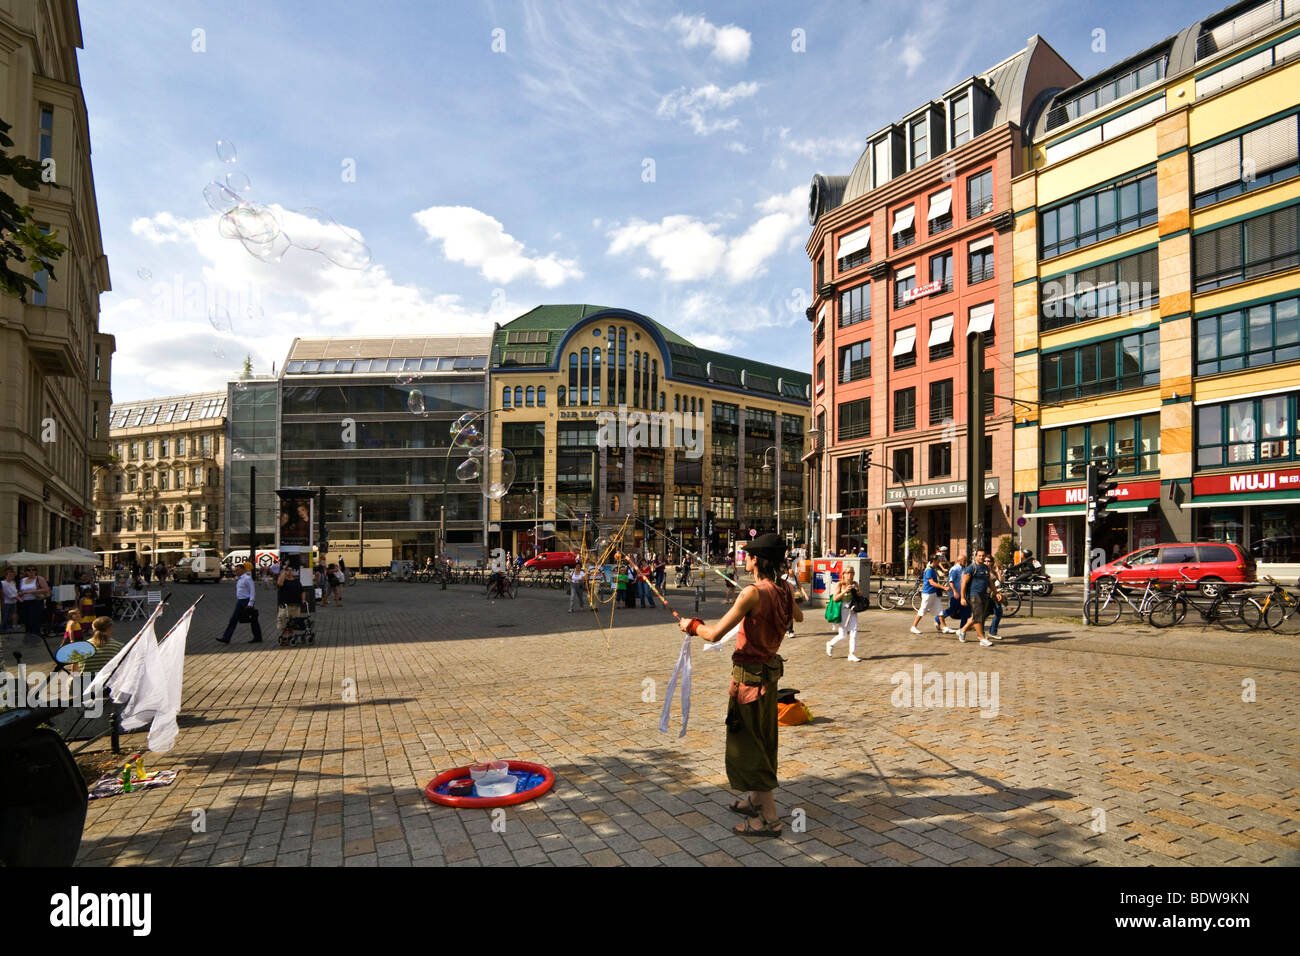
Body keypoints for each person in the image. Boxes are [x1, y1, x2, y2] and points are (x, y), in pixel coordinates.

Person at [678, 532, 800, 838]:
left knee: (749, 745)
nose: (744, 559)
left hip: (750, 680)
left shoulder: (753, 593)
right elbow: (797, 615)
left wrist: (691, 626)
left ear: (757, 560)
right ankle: (755, 801)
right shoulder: (784, 588)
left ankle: (769, 819)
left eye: (747, 556)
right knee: (764, 738)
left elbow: (715, 634)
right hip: (769, 678)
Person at [218, 562, 263, 644]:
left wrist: (250, 603)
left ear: (243, 570)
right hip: (240, 601)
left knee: (253, 619)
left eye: (238, 570)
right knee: (233, 619)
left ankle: (258, 637)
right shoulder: (239, 579)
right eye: (235, 570)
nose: (236, 572)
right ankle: (226, 637)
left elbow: (252, 591)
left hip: (247, 601)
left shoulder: (247, 578)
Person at [826, 567, 864, 661]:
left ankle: (851, 654)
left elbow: (860, 595)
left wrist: (859, 593)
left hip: (852, 609)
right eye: (847, 573)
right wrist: (844, 591)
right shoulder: (840, 584)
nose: (849, 575)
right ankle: (830, 644)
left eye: (851, 573)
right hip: (843, 610)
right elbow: (835, 598)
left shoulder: (855, 584)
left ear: (853, 574)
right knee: (843, 635)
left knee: (854, 631)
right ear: (843, 574)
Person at [958, 548, 994, 647]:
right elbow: (964, 583)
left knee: (978, 616)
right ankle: (981, 638)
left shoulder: (986, 568)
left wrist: (996, 592)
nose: (981, 557)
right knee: (978, 617)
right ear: (976, 556)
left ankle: (962, 630)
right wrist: (962, 598)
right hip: (974, 595)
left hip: (984, 595)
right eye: (979, 555)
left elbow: (990, 582)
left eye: (983, 556)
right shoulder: (971, 568)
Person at [910, 555, 947, 635]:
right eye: (938, 560)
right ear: (934, 561)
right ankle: (914, 626)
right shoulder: (929, 570)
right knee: (922, 610)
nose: (939, 562)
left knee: (939, 609)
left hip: (933, 593)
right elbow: (931, 582)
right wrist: (943, 587)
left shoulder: (933, 569)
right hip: (928, 593)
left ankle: (944, 627)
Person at [18, 566, 50, 642]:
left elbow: (46, 589)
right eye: (29, 570)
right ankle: (28, 638)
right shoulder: (23, 580)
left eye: (33, 570)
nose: (31, 572)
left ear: (36, 571)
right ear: (26, 571)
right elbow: (20, 590)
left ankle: (36, 638)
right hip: (25, 602)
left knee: (34, 620)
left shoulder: (39, 578)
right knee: (26, 621)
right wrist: (20, 594)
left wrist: (30, 592)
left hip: (35, 602)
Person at [276, 560, 306, 641]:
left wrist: (303, 600)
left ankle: (291, 636)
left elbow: (302, 591)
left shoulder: (297, 581)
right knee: (284, 623)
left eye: (291, 570)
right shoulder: (283, 580)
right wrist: (283, 570)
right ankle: (285, 636)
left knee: (294, 623)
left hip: (296, 605)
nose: (289, 571)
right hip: (285, 605)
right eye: (287, 570)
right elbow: (279, 583)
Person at [941, 551, 969, 636]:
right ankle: (938, 619)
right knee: (952, 609)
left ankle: (962, 627)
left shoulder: (963, 568)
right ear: (959, 561)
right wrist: (955, 592)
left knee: (965, 610)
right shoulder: (954, 569)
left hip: (962, 594)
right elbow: (951, 581)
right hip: (955, 594)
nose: (966, 562)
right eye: (964, 560)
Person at [986, 553, 1006, 641]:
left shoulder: (993, 571)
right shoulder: (982, 570)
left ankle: (992, 632)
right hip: (984, 595)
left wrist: (998, 571)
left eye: (988, 561)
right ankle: (966, 628)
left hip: (993, 595)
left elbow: (1001, 580)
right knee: (983, 614)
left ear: (992, 562)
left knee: (998, 612)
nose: (986, 562)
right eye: (985, 561)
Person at [2, 567, 18, 633]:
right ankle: (3, 628)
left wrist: (17, 595)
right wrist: (17, 597)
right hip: (6, 602)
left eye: (13, 575)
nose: (11, 576)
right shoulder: (3, 583)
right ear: (6, 575)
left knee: (10, 616)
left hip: (13, 602)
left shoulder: (13, 582)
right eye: (10, 575)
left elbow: (15, 591)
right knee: (5, 615)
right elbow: (7, 593)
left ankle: (8, 628)